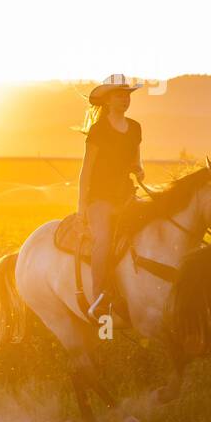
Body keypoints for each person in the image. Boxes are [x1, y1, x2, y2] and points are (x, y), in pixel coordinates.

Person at [77, 74, 144, 317]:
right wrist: (81, 206)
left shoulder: (135, 127)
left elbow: (136, 160)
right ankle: (100, 296)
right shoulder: (99, 130)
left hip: (126, 194)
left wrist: (139, 170)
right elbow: (86, 170)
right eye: (119, 95)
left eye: (127, 95)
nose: (125, 100)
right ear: (107, 100)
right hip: (100, 197)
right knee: (103, 240)